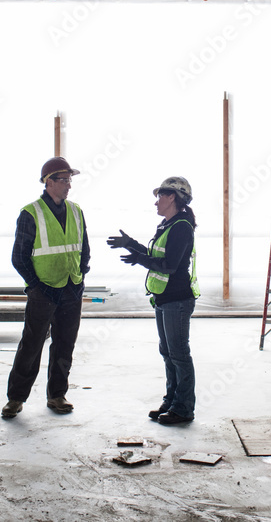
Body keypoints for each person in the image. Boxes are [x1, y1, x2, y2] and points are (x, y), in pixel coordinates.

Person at [3, 157, 90, 419]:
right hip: (43, 292)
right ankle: (16, 398)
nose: (68, 186)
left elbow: (84, 249)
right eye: (63, 180)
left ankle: (57, 395)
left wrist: (80, 276)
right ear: (48, 182)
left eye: (70, 180)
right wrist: (37, 286)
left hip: (71, 289)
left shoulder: (76, 211)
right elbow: (19, 257)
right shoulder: (31, 213)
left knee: (65, 344)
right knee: (31, 345)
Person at [108, 176, 199, 425]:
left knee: (179, 354)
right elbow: (155, 255)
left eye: (160, 196)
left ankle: (183, 408)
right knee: (168, 353)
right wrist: (131, 245)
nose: (156, 201)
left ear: (172, 197)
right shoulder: (167, 225)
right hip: (164, 298)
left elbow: (168, 266)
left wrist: (138, 258)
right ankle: (171, 401)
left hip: (177, 300)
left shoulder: (181, 227)